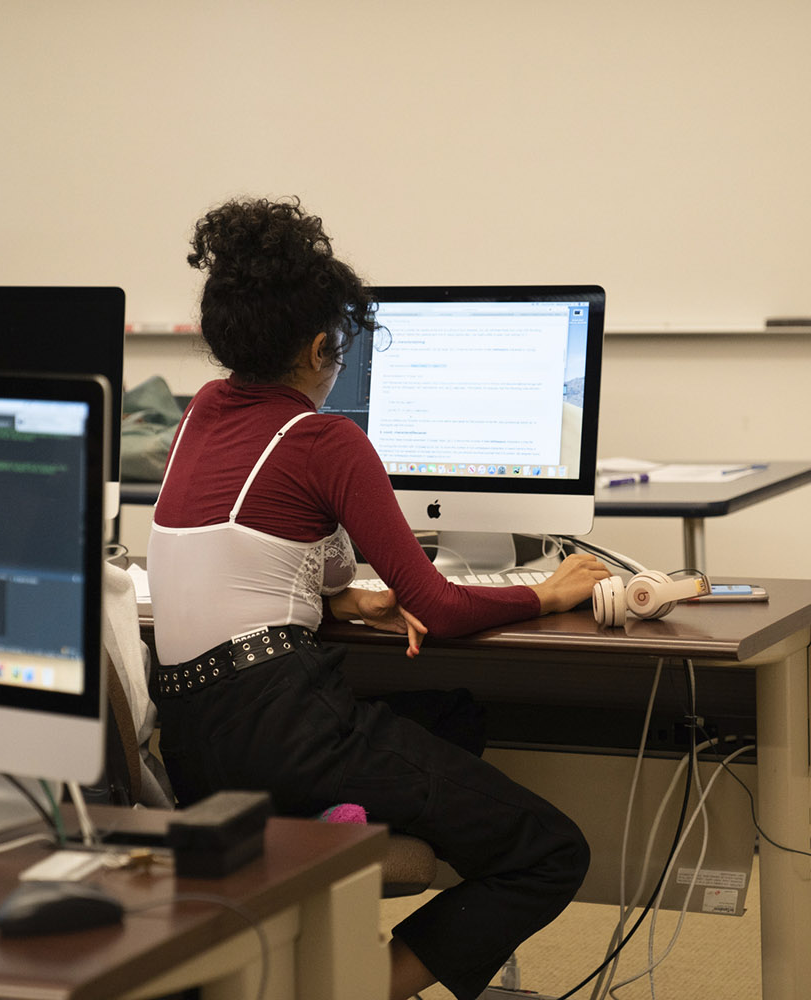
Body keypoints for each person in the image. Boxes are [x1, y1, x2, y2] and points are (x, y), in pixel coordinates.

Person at [147, 196, 610, 1000]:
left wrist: (349, 605)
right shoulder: (326, 439)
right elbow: (440, 606)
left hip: (194, 741)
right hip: (286, 725)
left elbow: (267, 561)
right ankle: (356, 986)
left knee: (456, 715)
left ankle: (336, 852)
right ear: (326, 345)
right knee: (551, 850)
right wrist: (546, 591)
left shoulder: (200, 416)